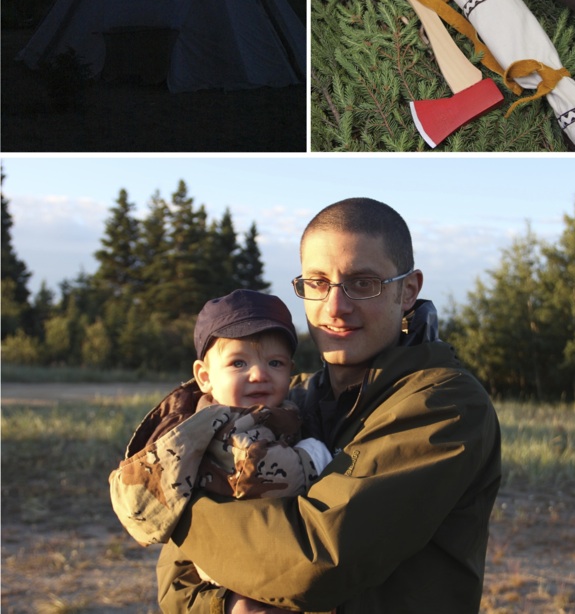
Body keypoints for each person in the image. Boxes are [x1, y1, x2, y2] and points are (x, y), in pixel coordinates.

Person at [157, 197, 502, 614]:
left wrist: (171, 506)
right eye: (317, 283)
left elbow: (316, 559)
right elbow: (174, 577)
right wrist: (225, 603)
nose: (335, 308)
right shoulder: (291, 401)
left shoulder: (443, 404)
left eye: (363, 283)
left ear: (408, 290)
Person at [109, 290, 331, 601]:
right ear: (204, 377)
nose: (259, 374)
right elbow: (256, 473)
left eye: (275, 363)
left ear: (290, 370)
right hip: (233, 560)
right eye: (238, 363)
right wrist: (315, 454)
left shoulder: (263, 411)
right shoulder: (222, 423)